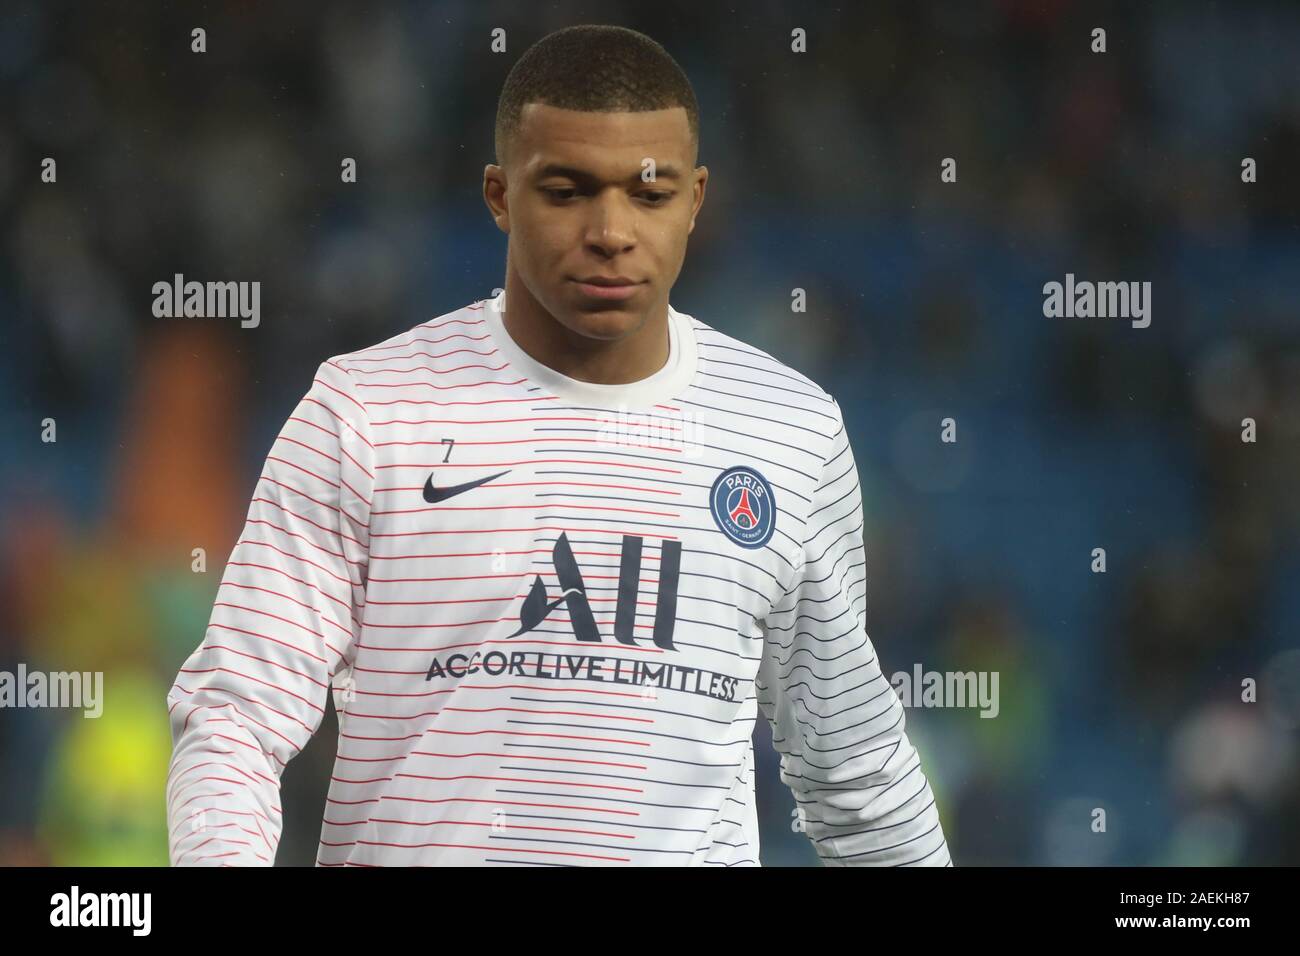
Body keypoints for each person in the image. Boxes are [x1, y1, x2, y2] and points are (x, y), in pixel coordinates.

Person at [165, 23, 951, 867]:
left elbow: (855, 770)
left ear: (696, 198)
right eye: (568, 190)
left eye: (648, 195)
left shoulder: (790, 430)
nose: (611, 230)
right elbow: (236, 717)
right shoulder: (366, 413)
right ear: (500, 195)